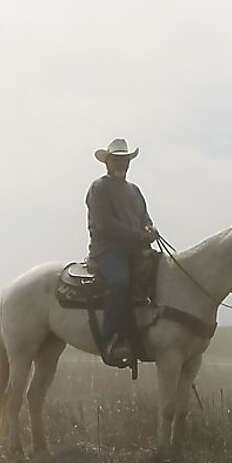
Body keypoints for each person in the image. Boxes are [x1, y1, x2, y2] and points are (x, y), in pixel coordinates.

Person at [86, 137, 157, 367]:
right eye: (117, 160)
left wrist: (149, 228)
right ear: (107, 162)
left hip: (135, 251)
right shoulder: (99, 188)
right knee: (120, 281)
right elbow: (105, 224)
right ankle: (109, 339)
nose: (121, 164)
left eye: (124, 160)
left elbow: (144, 217)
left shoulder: (134, 191)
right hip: (107, 251)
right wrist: (138, 235)